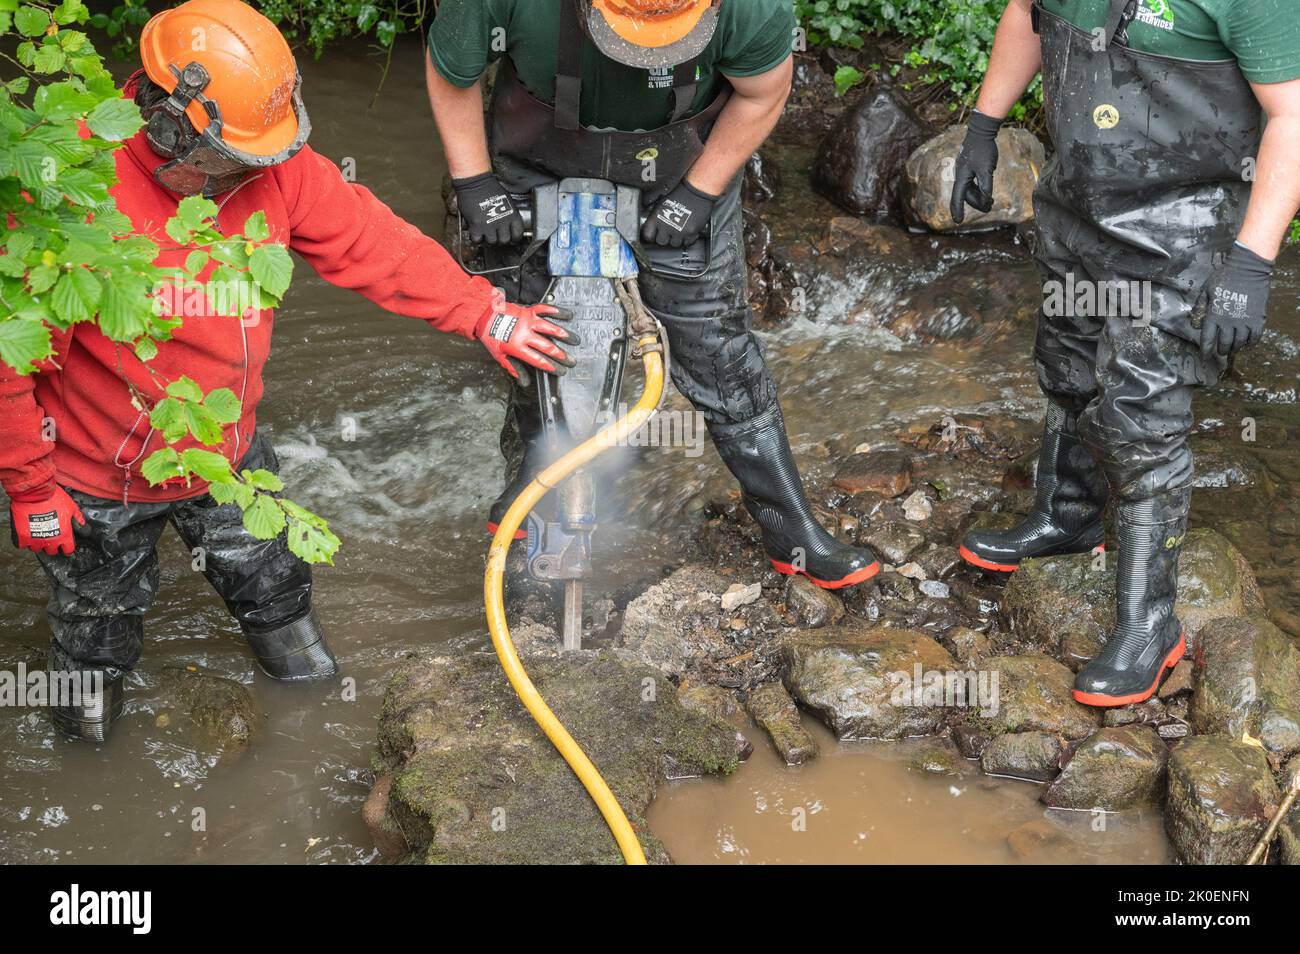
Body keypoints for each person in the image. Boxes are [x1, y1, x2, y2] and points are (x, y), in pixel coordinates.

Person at [0, 0, 574, 742]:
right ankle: (86, 767)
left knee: (274, 589)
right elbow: (8, 363)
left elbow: (374, 242)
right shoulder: (69, 192)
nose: (260, 175)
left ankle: (315, 722)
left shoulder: (271, 166)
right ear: (168, 126)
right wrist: (32, 488)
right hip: (90, 476)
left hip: (223, 457)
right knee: (92, 638)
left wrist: (482, 310)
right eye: (238, 160)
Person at [425, 0, 880, 589]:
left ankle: (790, 530)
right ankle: (532, 494)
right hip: (535, 162)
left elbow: (762, 93)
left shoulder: (753, 9)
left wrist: (700, 190)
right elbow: (450, 73)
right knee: (536, 338)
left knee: (720, 353)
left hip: (681, 169)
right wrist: (475, 181)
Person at [950, 0, 1300, 706]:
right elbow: (1025, 14)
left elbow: (1292, 118)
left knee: (1140, 417)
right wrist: (983, 127)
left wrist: (1250, 266)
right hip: (1081, 204)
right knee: (1067, 367)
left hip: (1186, 228)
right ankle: (1067, 516)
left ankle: (1150, 623)